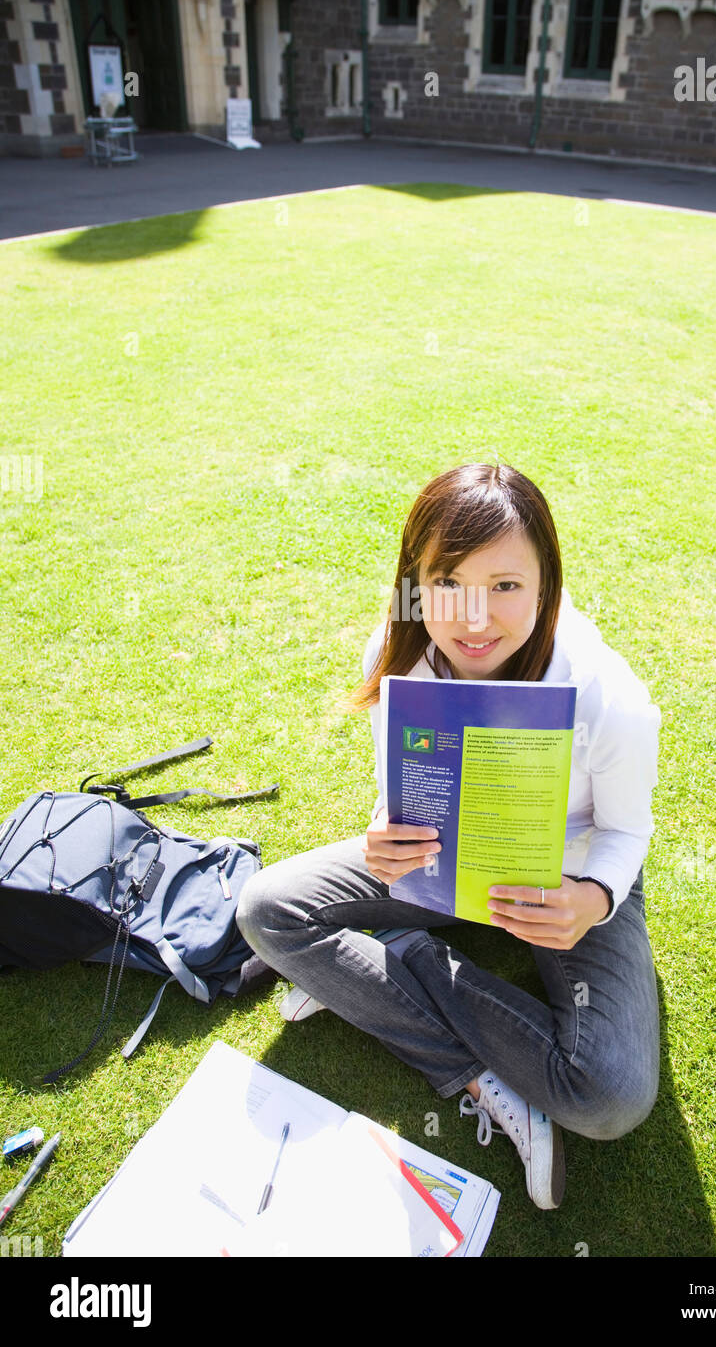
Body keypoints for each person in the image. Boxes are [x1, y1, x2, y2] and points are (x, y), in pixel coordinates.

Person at [236, 462, 661, 1210]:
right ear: (414, 581)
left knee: (610, 1097)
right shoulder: (396, 655)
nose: (473, 619)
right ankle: (470, 1062)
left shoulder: (607, 694)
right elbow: (395, 792)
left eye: (505, 587)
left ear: (546, 586)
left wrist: (591, 899)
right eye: (448, 583)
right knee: (266, 909)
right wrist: (380, 834)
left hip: (564, 880)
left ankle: (397, 967)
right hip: (439, 859)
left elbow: (627, 830)